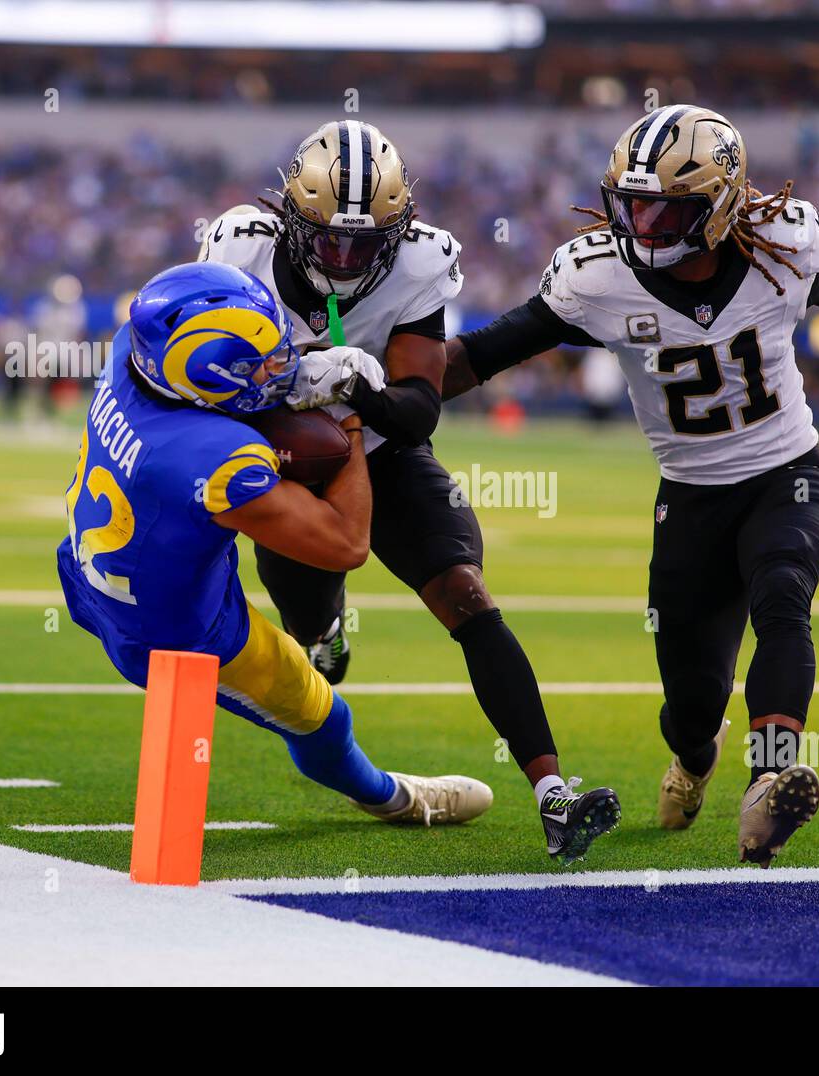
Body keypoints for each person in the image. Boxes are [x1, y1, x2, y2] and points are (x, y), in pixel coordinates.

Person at [443, 106, 819, 866]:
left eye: (668, 210)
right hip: (690, 498)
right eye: (634, 206)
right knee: (691, 704)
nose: (645, 225)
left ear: (722, 206)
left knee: (784, 592)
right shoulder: (598, 280)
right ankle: (697, 759)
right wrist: (399, 400)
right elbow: (483, 353)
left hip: (788, 472)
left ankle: (769, 779)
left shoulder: (781, 249)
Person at [199, 121, 619, 864]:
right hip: (279, 449)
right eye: (329, 239)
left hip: (384, 450)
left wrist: (362, 384)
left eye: (365, 245)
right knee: (307, 614)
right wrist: (289, 382)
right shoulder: (239, 246)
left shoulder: (421, 263)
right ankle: (327, 635)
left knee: (468, 595)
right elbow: (202, 367)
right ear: (292, 217)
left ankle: (553, 791)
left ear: (400, 231)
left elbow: (421, 401)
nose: (344, 257)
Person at [57, 261, 492, 829]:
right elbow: (346, 543)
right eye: (260, 364)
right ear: (211, 377)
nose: (281, 366)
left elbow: (207, 403)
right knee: (322, 715)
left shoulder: (131, 351)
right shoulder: (216, 462)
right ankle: (393, 797)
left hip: (90, 570)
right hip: (179, 632)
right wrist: (351, 417)